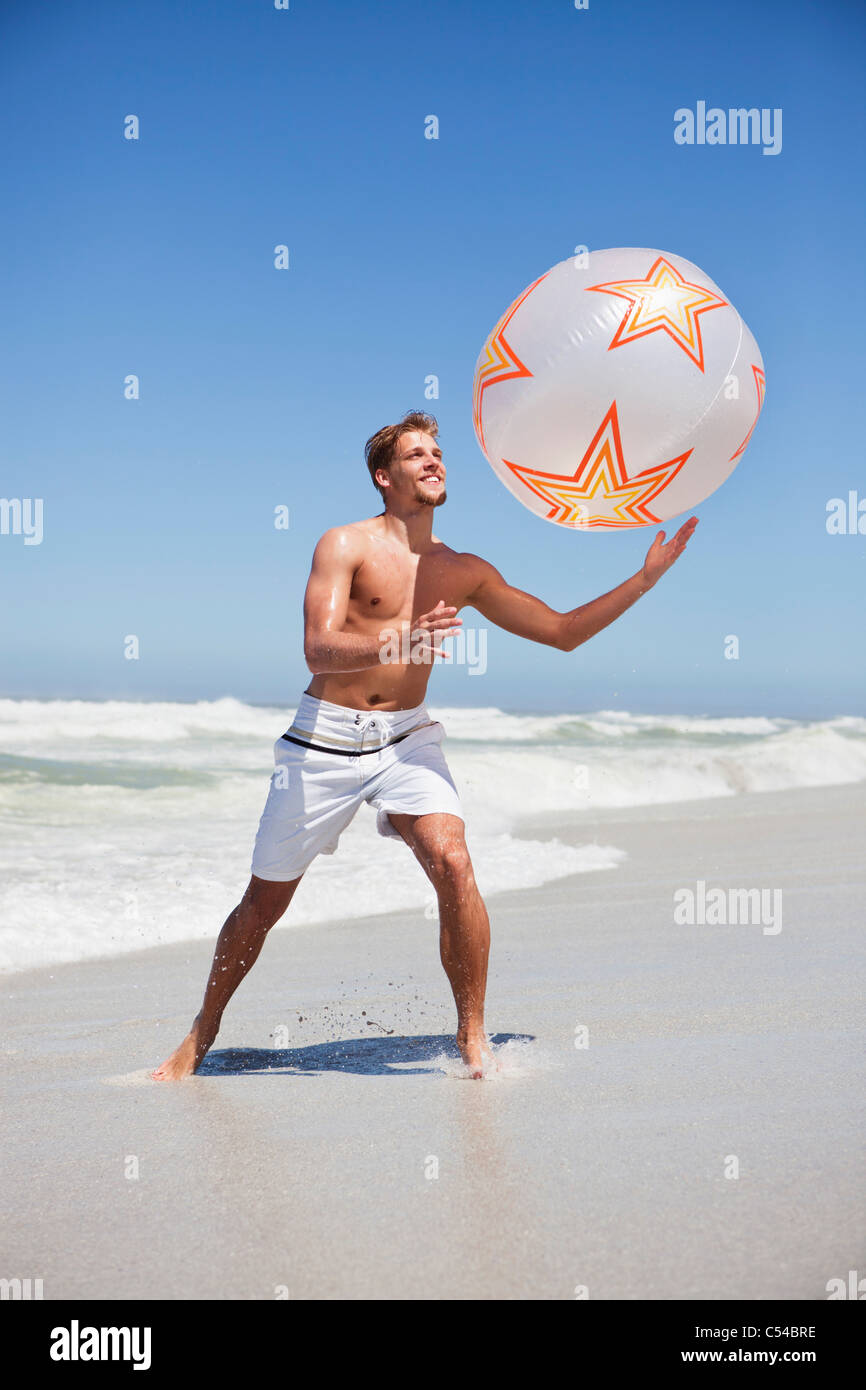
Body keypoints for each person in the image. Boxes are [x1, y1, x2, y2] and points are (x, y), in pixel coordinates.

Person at [153, 410, 697, 1081]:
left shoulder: (462, 570)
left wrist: (644, 581)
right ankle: (199, 1039)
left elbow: (561, 631)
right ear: (385, 476)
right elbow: (317, 646)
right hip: (322, 740)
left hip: (407, 739)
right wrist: (400, 641)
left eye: (438, 453)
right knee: (263, 904)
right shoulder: (344, 545)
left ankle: (472, 1039)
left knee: (454, 861)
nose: (434, 461)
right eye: (417, 455)